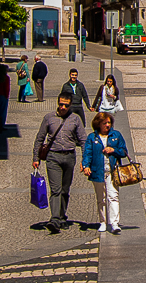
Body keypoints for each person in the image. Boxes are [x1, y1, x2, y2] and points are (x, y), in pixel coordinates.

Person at [32, 93, 87, 233]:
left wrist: (85, 160)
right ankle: (55, 219)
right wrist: (35, 158)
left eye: (66, 105)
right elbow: (40, 139)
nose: (63, 107)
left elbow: (83, 140)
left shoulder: (75, 119)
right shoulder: (49, 118)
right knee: (55, 190)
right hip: (53, 157)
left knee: (65, 190)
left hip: (69, 156)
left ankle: (62, 217)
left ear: (70, 105)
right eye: (61, 104)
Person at [81, 111, 128, 233]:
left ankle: (114, 223)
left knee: (113, 196)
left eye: (109, 123)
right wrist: (86, 165)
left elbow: (124, 151)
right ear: (98, 124)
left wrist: (114, 150)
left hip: (112, 172)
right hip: (98, 171)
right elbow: (88, 153)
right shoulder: (92, 137)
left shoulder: (116, 135)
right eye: (104, 123)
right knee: (101, 198)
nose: (107, 125)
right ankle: (103, 221)